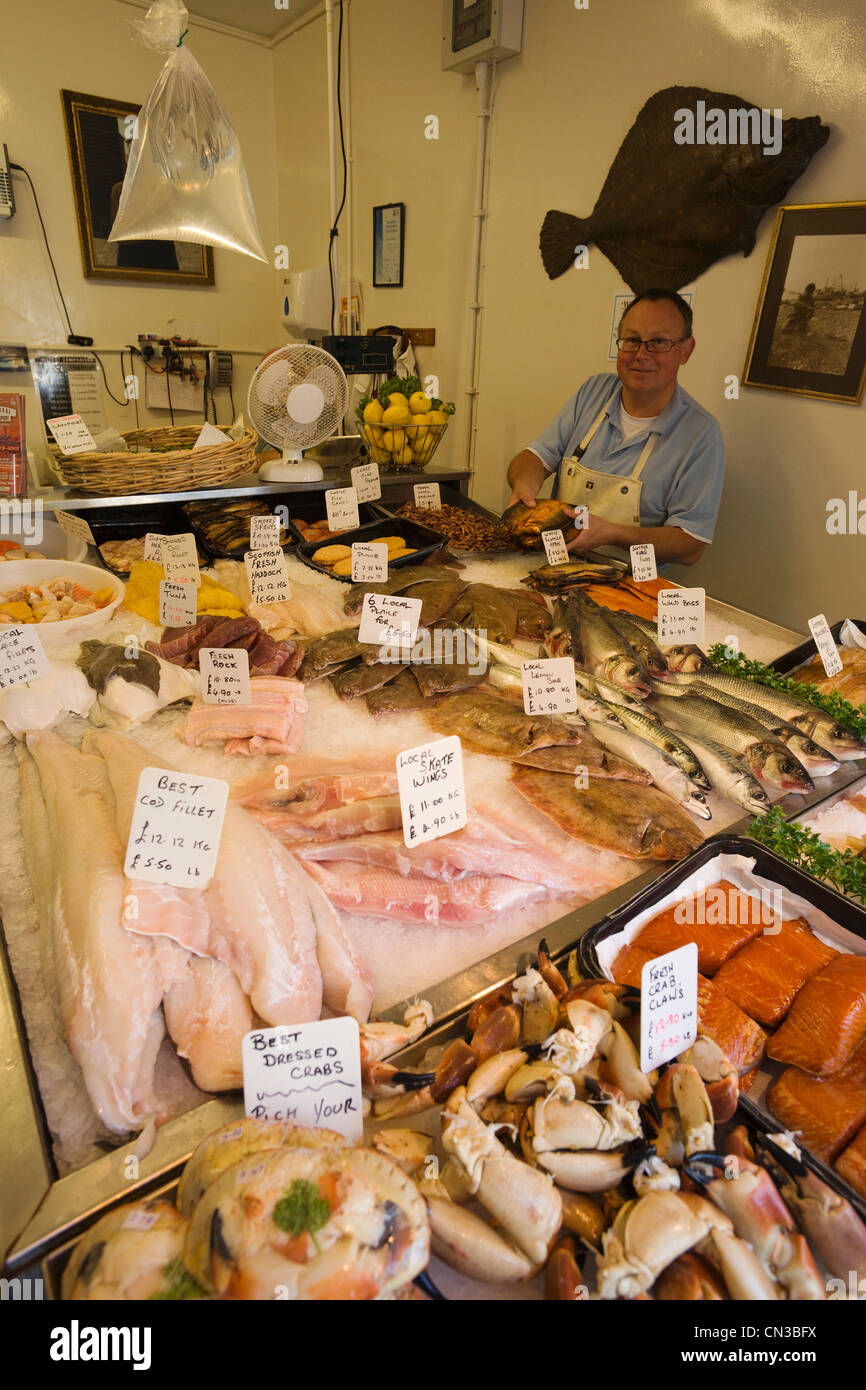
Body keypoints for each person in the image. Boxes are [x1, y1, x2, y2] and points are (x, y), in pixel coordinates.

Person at [506, 289, 724, 567]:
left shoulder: (701, 435)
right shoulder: (593, 392)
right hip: (556, 564)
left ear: (686, 350)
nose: (641, 354)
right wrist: (525, 483)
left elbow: (690, 545)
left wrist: (613, 534)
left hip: (630, 583)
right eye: (632, 340)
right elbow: (534, 457)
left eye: (658, 342)